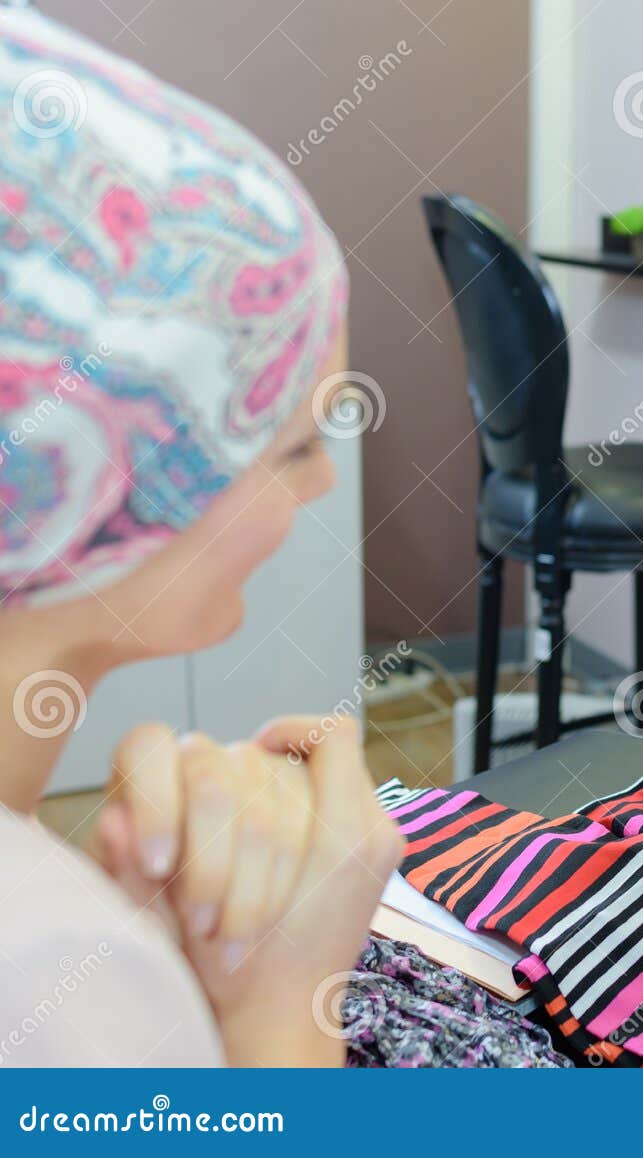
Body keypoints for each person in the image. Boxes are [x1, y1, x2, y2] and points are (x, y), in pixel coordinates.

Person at [0, 6, 400, 1065]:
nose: (322, 481)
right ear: (91, 489)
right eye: (294, 446)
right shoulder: (46, 970)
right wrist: (284, 999)